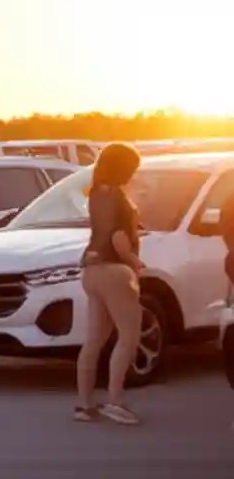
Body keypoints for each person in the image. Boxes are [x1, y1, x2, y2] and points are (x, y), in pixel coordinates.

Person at [75, 143, 145, 425]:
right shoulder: (117, 197)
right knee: (129, 335)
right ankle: (115, 401)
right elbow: (117, 237)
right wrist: (134, 262)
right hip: (115, 270)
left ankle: (84, 404)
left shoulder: (95, 194)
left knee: (93, 340)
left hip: (91, 270)